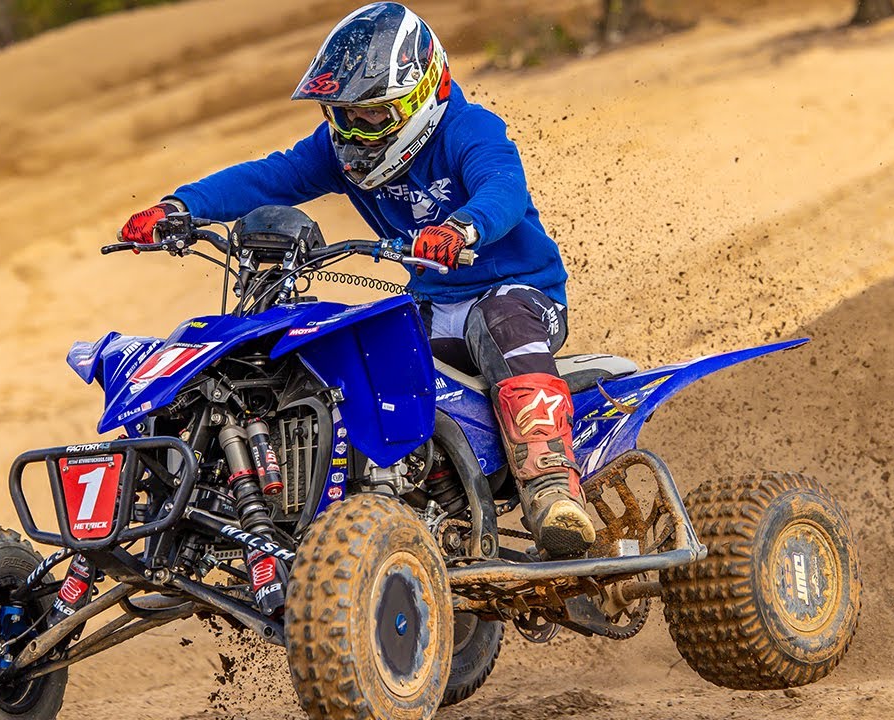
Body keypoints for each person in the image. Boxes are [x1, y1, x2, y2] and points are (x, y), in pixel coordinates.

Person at [119, 2, 595, 558]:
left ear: (421, 97)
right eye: (342, 115)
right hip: (430, 303)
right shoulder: (339, 151)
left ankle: (551, 489)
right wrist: (181, 207)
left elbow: (503, 186)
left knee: (499, 319)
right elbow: (270, 176)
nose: (353, 132)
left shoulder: (469, 129)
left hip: (524, 296)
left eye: (371, 116)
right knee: (362, 356)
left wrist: (463, 227)